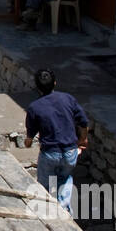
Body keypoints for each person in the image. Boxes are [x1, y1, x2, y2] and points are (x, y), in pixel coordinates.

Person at [24, 67, 89, 214]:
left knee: (45, 185)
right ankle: (65, 210)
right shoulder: (68, 99)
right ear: (55, 83)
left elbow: (30, 135)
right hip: (70, 152)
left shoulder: (34, 107)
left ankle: (47, 213)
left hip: (49, 153)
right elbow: (83, 122)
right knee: (65, 179)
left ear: (37, 87)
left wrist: (27, 143)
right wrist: (83, 140)